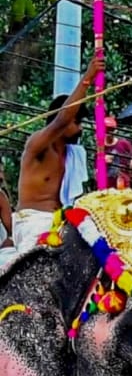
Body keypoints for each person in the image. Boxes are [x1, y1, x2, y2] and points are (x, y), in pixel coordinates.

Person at [14, 57, 100, 251]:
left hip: (60, 222)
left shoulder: (72, 155)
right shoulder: (38, 144)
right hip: (31, 222)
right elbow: (62, 120)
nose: (81, 129)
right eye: (77, 122)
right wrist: (88, 77)